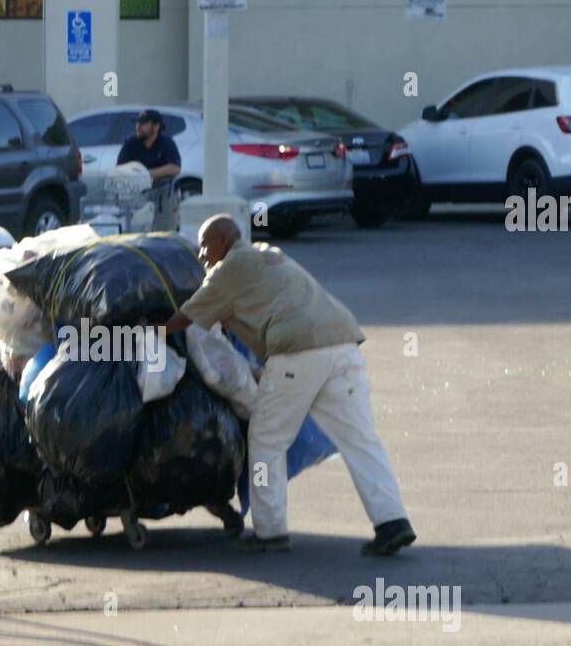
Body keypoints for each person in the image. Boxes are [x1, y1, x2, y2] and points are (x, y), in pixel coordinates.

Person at [163, 215, 416, 555]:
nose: (202, 256)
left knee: (266, 440)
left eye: (205, 246)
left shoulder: (230, 266)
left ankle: (270, 532)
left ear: (223, 239)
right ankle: (393, 521)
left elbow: (186, 317)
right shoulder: (269, 254)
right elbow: (262, 301)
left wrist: (145, 330)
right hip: (343, 347)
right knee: (360, 439)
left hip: (298, 355)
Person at [117, 109, 181, 185]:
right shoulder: (130, 143)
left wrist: (145, 174)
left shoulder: (167, 143)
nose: (138, 126)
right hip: (135, 188)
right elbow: (119, 169)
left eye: (143, 123)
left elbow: (175, 168)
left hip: (161, 188)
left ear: (156, 126)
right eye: (137, 122)